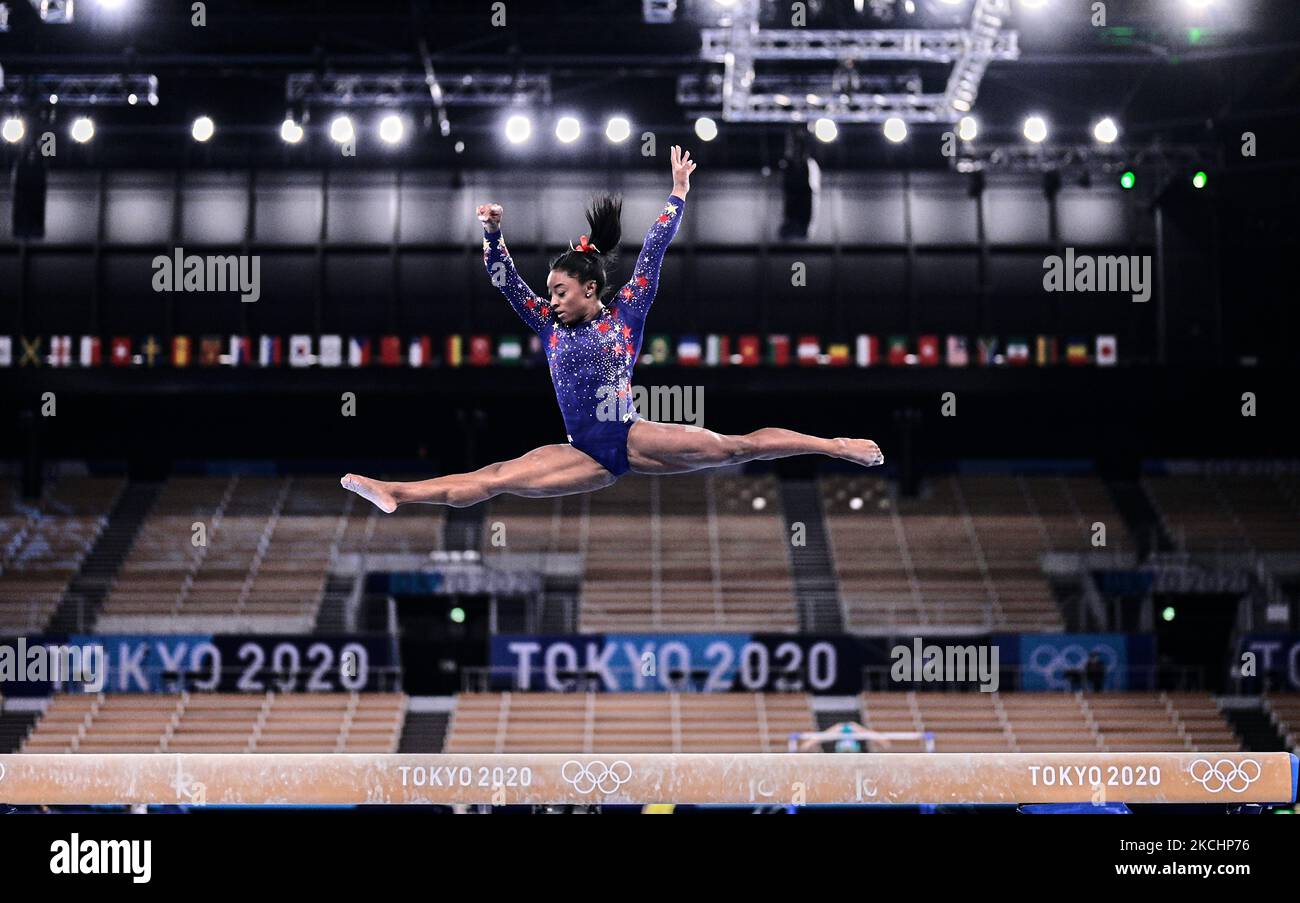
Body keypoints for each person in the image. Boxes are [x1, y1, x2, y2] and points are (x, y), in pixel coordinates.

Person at [342, 146, 883, 513]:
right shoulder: (548, 325)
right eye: (549, 292)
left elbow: (654, 250)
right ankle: (394, 492)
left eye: (558, 291)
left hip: (629, 435)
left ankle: (833, 445)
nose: (549, 300)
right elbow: (504, 280)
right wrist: (492, 233)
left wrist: (678, 192)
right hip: (583, 451)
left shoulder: (626, 314)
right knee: (497, 477)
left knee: (734, 448)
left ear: (590, 291)